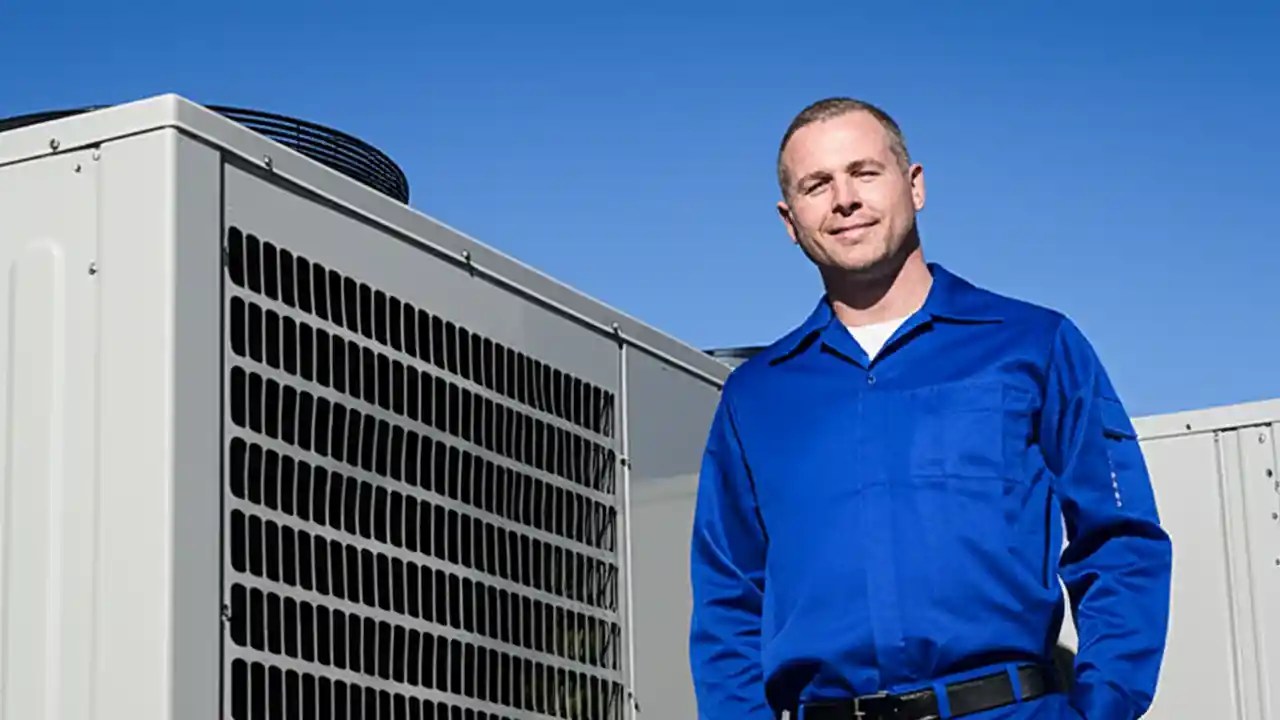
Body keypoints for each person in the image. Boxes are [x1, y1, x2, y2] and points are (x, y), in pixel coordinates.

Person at [687, 97, 1173, 720]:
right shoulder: (757, 397)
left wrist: (1102, 708)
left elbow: (1119, 540)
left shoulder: (1032, 346)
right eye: (817, 184)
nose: (844, 199)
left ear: (914, 185)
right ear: (790, 220)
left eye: (864, 172)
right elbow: (728, 598)